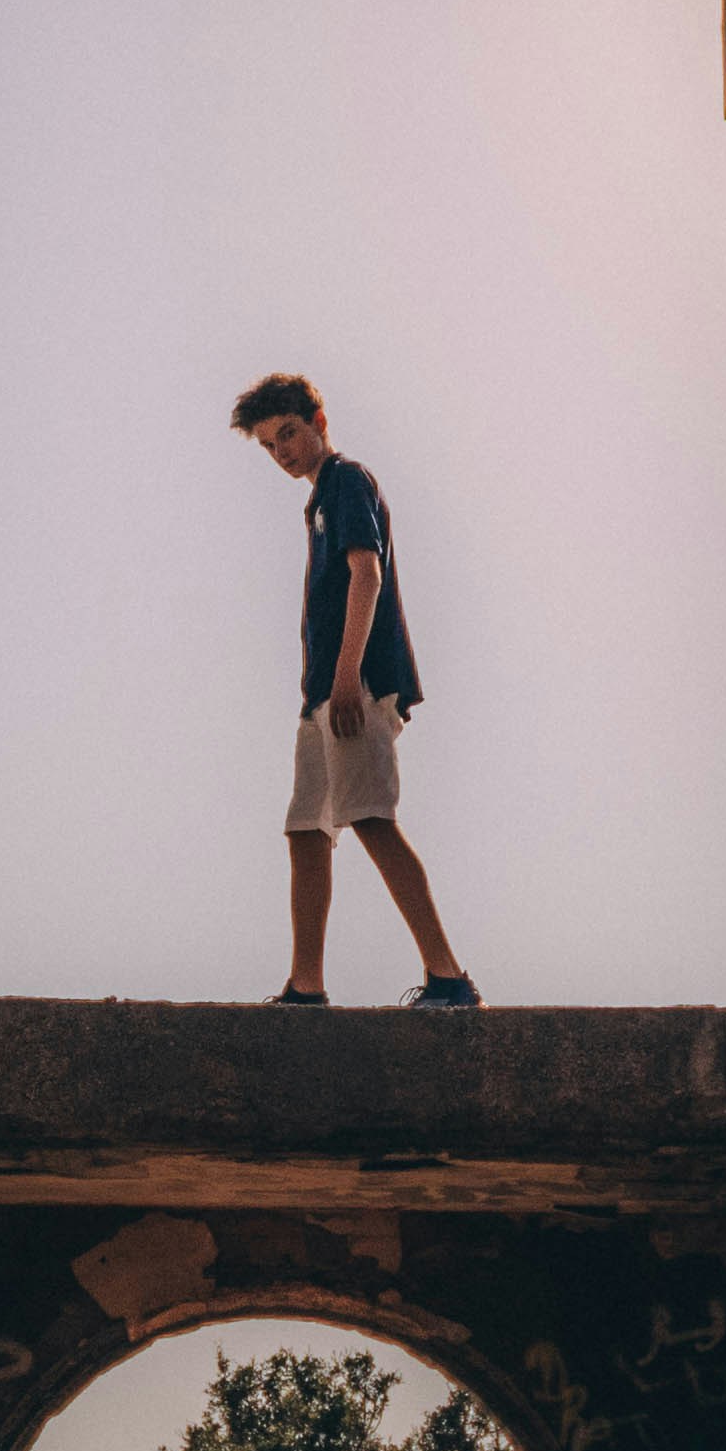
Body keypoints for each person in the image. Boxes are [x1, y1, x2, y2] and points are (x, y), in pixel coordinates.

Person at [230, 373, 475, 1007]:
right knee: (307, 830)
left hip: (353, 684)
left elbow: (366, 575)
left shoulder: (345, 481)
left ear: (318, 421)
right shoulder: (315, 504)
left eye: (288, 433)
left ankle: (448, 976)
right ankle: (305, 987)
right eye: (269, 445)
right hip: (321, 695)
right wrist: (322, 689)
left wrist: (346, 677)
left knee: (371, 818)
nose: (282, 452)